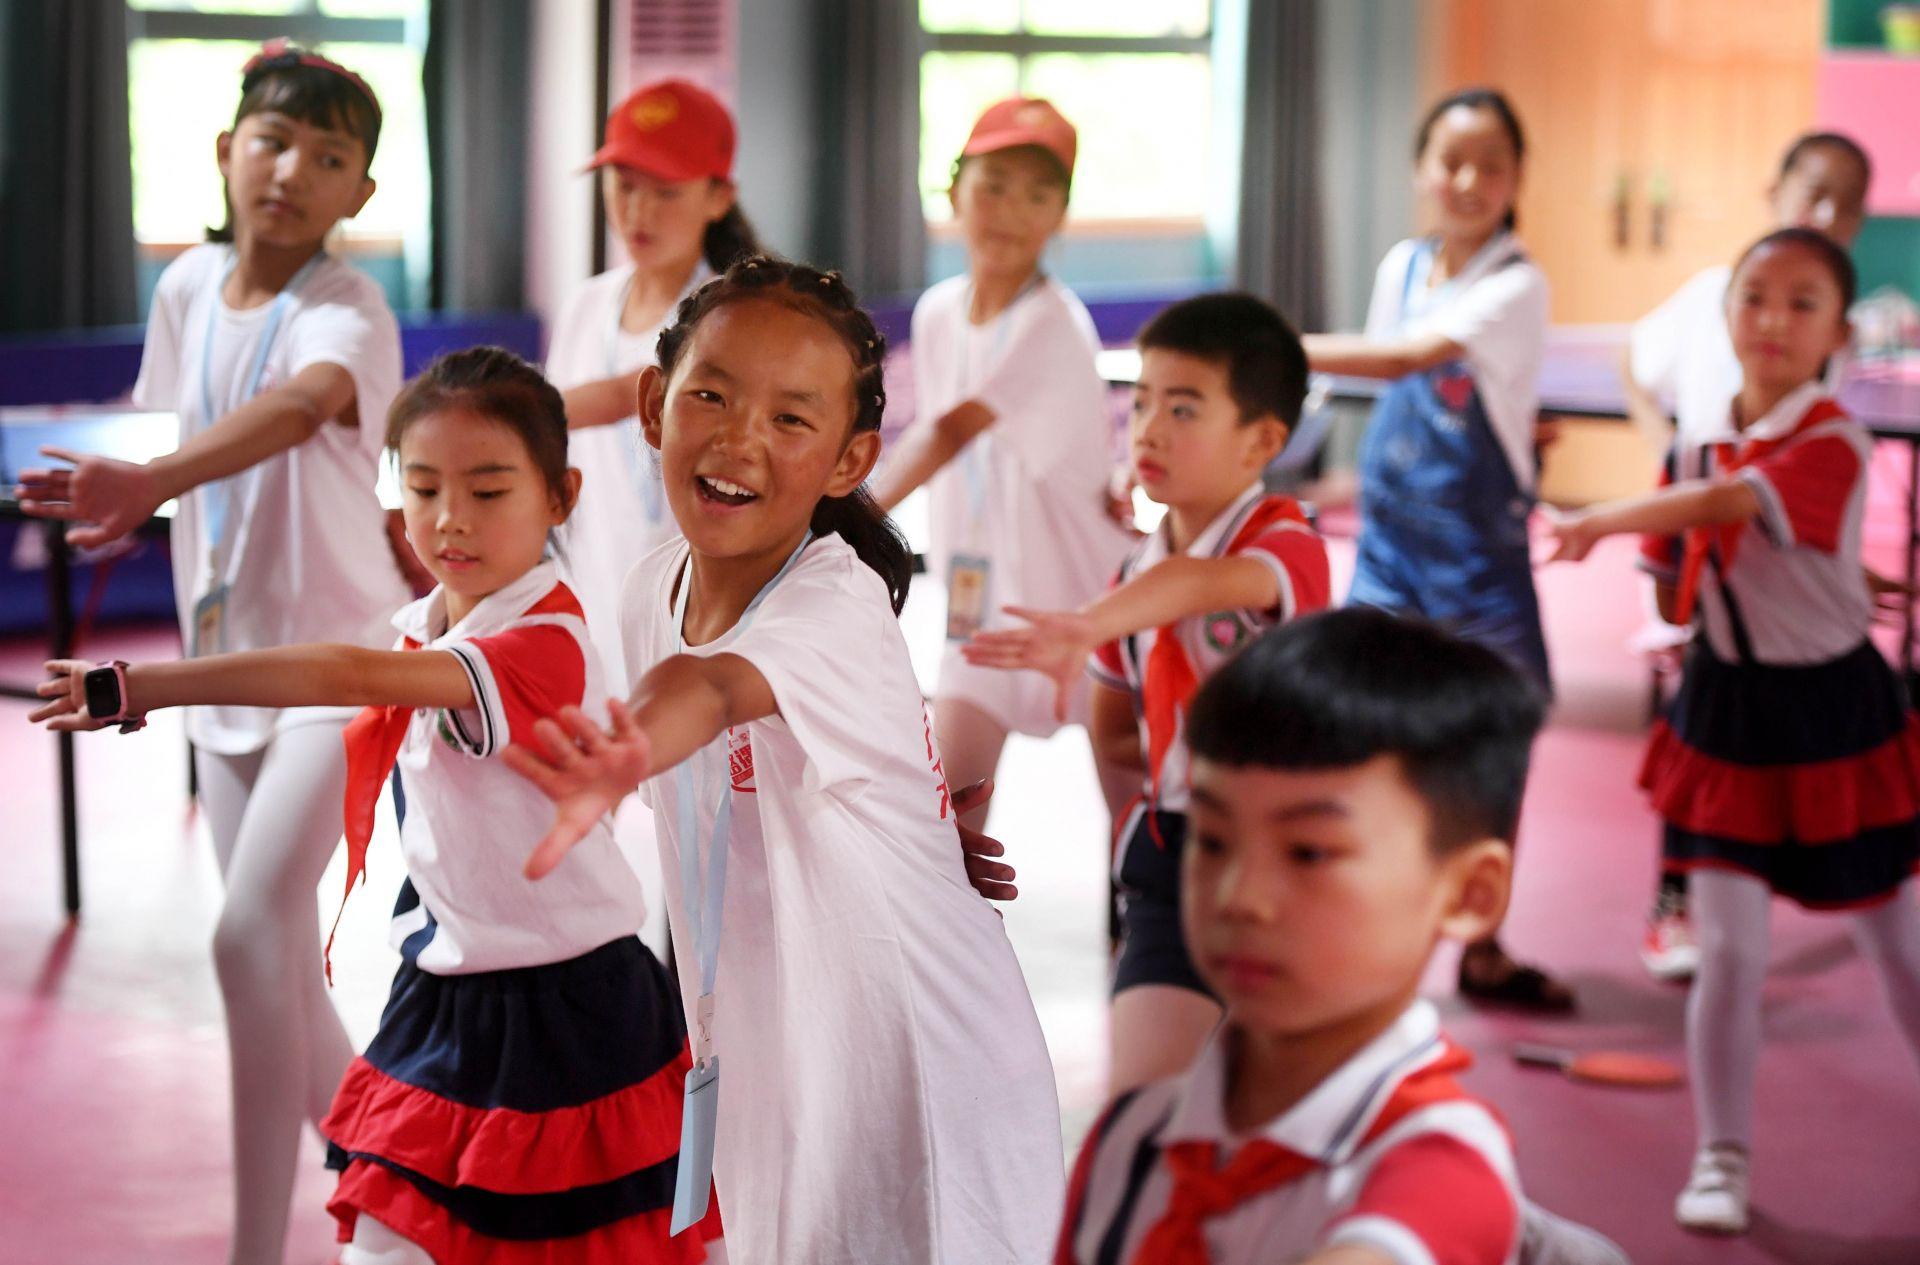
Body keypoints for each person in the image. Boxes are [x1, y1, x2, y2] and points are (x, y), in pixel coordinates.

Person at [31, 348, 708, 1264]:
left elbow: (344, 670)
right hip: (438, 998)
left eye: (487, 489)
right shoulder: (429, 619)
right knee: (390, 1243)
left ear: (560, 495)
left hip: (571, 1010)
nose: (449, 519)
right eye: (423, 488)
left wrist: (150, 682)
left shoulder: (541, 640)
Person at [506, 256, 1066, 1263]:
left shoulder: (834, 599)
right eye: (711, 394)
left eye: (790, 419)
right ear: (651, 402)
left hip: (914, 1052)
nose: (737, 439)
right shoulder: (648, 587)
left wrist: (628, 740)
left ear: (849, 461)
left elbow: (712, 686)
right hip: (768, 1043)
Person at [12, 42, 407, 1264]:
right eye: (272, 140)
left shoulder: (349, 308)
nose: (292, 169)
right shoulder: (186, 286)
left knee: (246, 938)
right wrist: (137, 498)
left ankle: (257, 1248)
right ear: (226, 149)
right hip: (226, 660)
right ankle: (393, 1188)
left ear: (359, 195)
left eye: (328, 156)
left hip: (334, 665)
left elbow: (288, 412)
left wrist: (160, 478)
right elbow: (184, 421)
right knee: (277, 967)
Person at [1548, 228, 1920, 1236]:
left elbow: (1727, 503)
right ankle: (1723, 1153)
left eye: (1804, 303)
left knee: (1901, 949)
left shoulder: (1838, 437)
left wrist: (1596, 516)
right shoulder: (1695, 439)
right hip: (1728, 709)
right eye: (1755, 296)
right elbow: (1688, 545)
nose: (1774, 320)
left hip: (1837, 712)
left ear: (1840, 333)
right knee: (1733, 953)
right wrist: (1676, 591)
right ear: (1727, 315)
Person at [1055, 607, 1546, 1263]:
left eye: (1309, 852)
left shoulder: (1439, 1167)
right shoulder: (1131, 1135)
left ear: (1469, 893)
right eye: (1213, 838)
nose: (1241, 897)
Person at [963, 293, 1330, 1095]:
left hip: (1289, 866)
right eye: (1142, 401)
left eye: (1185, 407)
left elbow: (1198, 582)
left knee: (1268, 1110)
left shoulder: (1285, 544)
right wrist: (1139, 831)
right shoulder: (1131, 576)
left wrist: (1085, 623)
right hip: (1174, 858)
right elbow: (1117, 735)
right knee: (1143, 1105)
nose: (1150, 428)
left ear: (1262, 440)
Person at [1301, 87, 1569, 1012]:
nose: (1467, 179)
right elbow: (1386, 389)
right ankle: (1365, 925)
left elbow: (1408, 360)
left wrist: (1267, 351)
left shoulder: (1516, 282)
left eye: (1490, 163)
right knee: (1366, 738)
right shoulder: (1404, 264)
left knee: (1496, 739)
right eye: (1450, 160)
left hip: (1477, 564)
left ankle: (1482, 943)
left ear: (1516, 179)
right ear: (1421, 168)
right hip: (1388, 549)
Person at [1621, 131, 1875, 981]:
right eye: (1814, 191)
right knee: (1701, 735)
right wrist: (1673, 459)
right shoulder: (1712, 296)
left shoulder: (1823, 344)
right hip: (1704, 572)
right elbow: (1634, 364)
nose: (1827, 212)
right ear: (1776, 189)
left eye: (1847, 200)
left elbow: (1778, 490)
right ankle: (1676, 902)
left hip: (1790, 619)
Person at [871, 95, 1136, 833]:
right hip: (979, 604)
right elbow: (943, 438)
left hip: (1088, 607)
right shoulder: (937, 312)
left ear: (1061, 216)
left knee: (1134, 832)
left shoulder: (1052, 320)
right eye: (992, 186)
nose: (1010, 211)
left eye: (1038, 194)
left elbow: (950, 430)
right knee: (948, 829)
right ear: (954, 190)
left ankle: (1138, 943)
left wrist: (844, 519)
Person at [546, 77, 761, 958]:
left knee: (701, 856)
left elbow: (590, 404)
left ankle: (694, 1051)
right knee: (581, 836)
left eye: (664, 189)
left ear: (717, 196)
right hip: (595, 616)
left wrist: (500, 408)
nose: (637, 208)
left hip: (701, 623)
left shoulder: (736, 317)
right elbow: (555, 459)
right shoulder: (587, 304)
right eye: (622, 182)